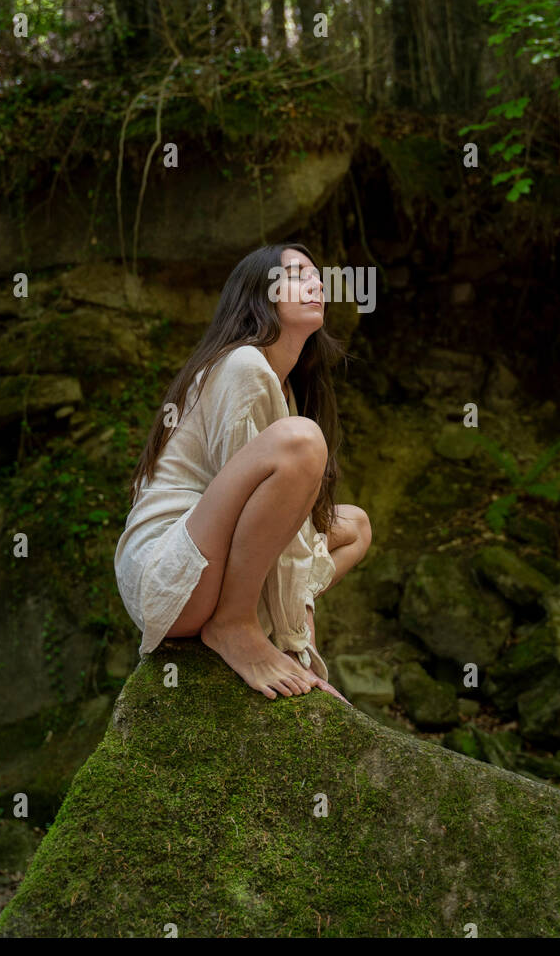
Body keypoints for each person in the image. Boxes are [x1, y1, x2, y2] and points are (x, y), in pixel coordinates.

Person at [114, 242, 372, 701]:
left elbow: (276, 527)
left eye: (319, 276)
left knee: (354, 526)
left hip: (213, 565)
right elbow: (250, 519)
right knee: (301, 442)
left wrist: (299, 644)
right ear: (259, 294)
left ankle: (254, 628)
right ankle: (233, 624)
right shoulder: (243, 365)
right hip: (170, 573)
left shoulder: (285, 386)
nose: (317, 283)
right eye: (296, 275)